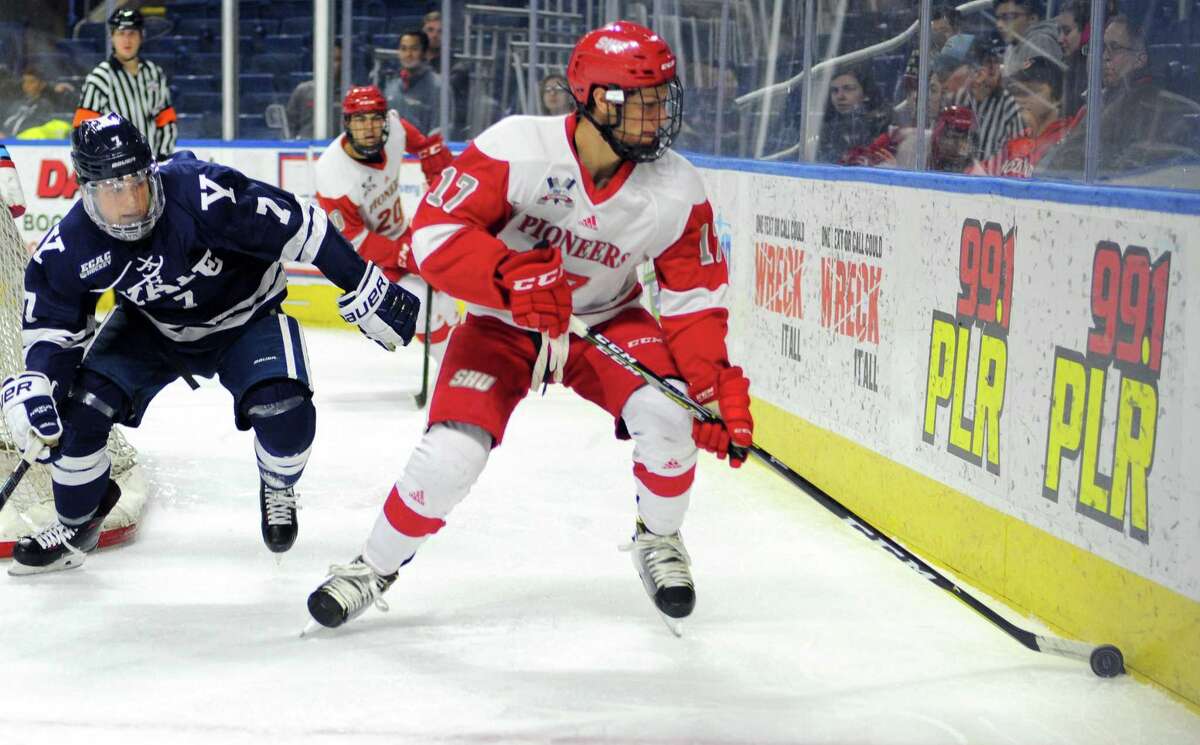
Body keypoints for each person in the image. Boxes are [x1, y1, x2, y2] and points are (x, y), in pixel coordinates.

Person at [305, 20, 754, 632]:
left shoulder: (676, 188)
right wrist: (509, 277)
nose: (659, 118)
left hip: (607, 321)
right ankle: (372, 566)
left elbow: (695, 298)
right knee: (449, 456)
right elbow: (434, 236)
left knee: (671, 418)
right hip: (500, 323)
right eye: (643, 103)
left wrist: (708, 386)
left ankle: (660, 537)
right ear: (597, 100)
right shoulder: (518, 144)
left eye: (661, 101)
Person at [1, 113, 421, 575]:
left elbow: (302, 226)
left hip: (244, 317)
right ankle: (78, 524)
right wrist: (44, 385)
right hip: (151, 327)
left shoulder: (203, 193)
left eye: (136, 182)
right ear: (85, 189)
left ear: (150, 171)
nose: (131, 201)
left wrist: (360, 281)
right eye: (112, 189)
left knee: (284, 412)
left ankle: (277, 485)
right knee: (78, 415)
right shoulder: (69, 246)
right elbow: (52, 330)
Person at [315, 85, 458, 360]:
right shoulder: (333, 172)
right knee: (425, 308)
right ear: (346, 123)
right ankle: (452, 372)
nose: (369, 127)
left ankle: (460, 364)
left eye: (375, 118)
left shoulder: (394, 130)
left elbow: (425, 146)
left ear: (385, 119)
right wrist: (404, 254)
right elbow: (354, 242)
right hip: (367, 267)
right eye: (359, 120)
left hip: (401, 237)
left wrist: (432, 162)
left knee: (447, 299)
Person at [1035, 15, 1200, 183]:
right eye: (1102, 48)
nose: (1104, 56)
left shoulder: (1158, 108)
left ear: (1140, 59)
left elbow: (1127, 172)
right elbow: (1060, 162)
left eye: (1114, 47)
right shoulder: (1099, 101)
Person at [74, 8, 176, 160]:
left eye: (132, 33)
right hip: (115, 172)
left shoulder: (155, 74)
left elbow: (167, 121)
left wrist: (163, 158)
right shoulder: (99, 79)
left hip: (152, 166)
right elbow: (82, 131)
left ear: (142, 36)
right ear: (112, 37)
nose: (127, 40)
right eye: (121, 33)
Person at [971, 57, 1080, 177]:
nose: (1020, 98)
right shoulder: (1016, 136)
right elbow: (978, 174)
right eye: (1017, 91)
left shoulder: (1070, 136)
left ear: (1057, 98)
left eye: (1032, 91)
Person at [952, 33, 1024, 161]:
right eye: (983, 64)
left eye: (994, 64)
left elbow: (1017, 156)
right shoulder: (959, 97)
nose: (982, 79)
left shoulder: (1009, 107)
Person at [817, 65, 891, 163]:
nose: (840, 96)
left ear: (866, 94)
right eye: (834, 91)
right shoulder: (825, 130)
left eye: (848, 89)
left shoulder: (885, 125)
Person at [383, 30, 441, 135]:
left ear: (425, 53)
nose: (408, 54)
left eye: (414, 49)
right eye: (403, 49)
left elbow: (440, 130)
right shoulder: (391, 87)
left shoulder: (438, 87)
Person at [286, 42, 341, 140]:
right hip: (305, 149)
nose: (332, 64)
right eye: (328, 59)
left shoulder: (349, 93)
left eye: (336, 60)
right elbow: (290, 125)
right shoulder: (302, 91)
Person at [992, 0, 1062, 77]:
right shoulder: (1011, 47)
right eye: (998, 18)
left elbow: (1038, 87)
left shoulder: (1040, 42)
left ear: (1032, 18)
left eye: (1008, 17)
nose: (999, 25)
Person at [0, 67, 74, 138]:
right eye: (24, 82)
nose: (27, 85)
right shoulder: (17, 103)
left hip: (23, 143)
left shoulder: (45, 105)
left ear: (42, 85)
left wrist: (53, 89)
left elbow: (35, 126)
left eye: (31, 82)